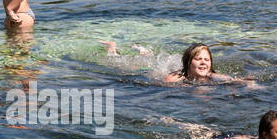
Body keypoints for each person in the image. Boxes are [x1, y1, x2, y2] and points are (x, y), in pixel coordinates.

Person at [99, 40, 257, 86]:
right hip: (151, 71)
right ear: (188, 62)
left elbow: (233, 79)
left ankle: (144, 52)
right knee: (120, 65)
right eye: (198, 59)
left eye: (206, 60)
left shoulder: (212, 76)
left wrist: (248, 83)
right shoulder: (175, 79)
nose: (203, 63)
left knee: (150, 57)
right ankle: (112, 48)